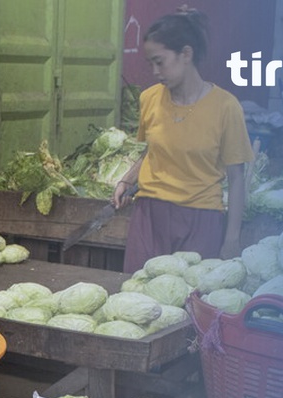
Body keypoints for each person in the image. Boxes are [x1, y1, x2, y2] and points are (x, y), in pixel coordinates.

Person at [113, 8, 253, 273]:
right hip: (149, 217)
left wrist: (232, 239)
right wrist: (126, 180)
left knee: (191, 295)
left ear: (186, 54)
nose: (155, 71)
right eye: (150, 64)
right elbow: (152, 151)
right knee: (137, 290)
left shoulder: (226, 107)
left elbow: (236, 178)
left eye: (160, 62)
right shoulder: (149, 98)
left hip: (200, 218)